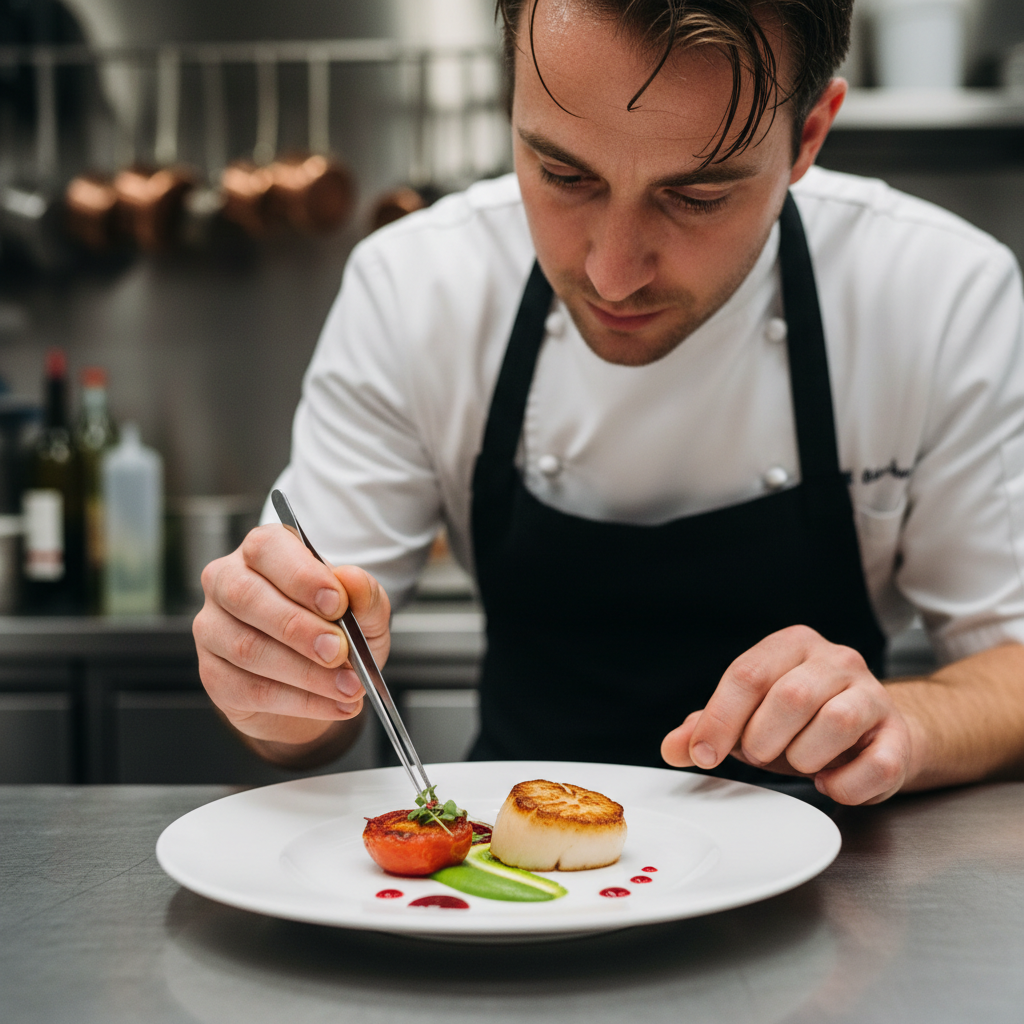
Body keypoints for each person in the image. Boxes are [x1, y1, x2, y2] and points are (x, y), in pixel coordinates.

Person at [193, 0, 1024, 804]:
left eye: (697, 196)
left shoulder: (938, 293)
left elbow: (1012, 664)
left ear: (808, 136)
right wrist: (275, 674)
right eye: (563, 173)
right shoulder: (415, 287)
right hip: (513, 894)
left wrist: (903, 721)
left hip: (838, 890)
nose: (611, 273)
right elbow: (299, 713)